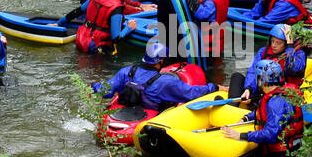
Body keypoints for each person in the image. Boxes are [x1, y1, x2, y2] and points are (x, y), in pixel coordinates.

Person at [92, 42, 220, 111]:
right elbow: (192, 94)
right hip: (149, 116)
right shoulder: (166, 82)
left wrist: (93, 87)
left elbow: (106, 92)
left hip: (126, 110)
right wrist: (213, 87)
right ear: (161, 61)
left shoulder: (126, 71)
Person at [222, 59, 305, 157]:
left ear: (261, 79)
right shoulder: (275, 93)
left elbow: (270, 134)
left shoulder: (276, 102)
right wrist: (247, 117)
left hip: (281, 156)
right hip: (283, 150)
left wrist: (241, 136)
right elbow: (262, 111)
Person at [75, 0, 147, 54]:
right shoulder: (117, 8)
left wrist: (59, 22)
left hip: (81, 39)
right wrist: (129, 28)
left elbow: (77, 11)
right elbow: (116, 38)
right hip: (97, 47)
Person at [242, 24, 307, 99]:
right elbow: (253, 70)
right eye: (272, 41)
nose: (273, 45)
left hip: (281, 94)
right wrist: (249, 89)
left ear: (286, 44)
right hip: (262, 90)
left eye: (278, 43)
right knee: (237, 76)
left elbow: (292, 68)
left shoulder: (299, 54)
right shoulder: (263, 51)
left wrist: (290, 47)